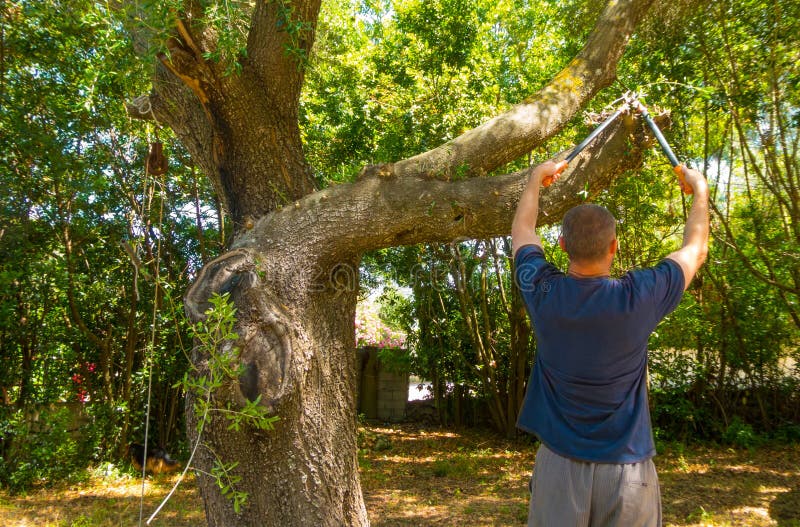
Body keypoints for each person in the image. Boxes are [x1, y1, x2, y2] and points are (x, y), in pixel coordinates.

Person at [511, 160, 709, 527]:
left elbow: (522, 231)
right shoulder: (639, 297)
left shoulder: (543, 291)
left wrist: (535, 179)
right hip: (628, 471)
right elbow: (695, 250)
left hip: (559, 466)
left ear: (562, 244)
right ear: (614, 246)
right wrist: (700, 191)